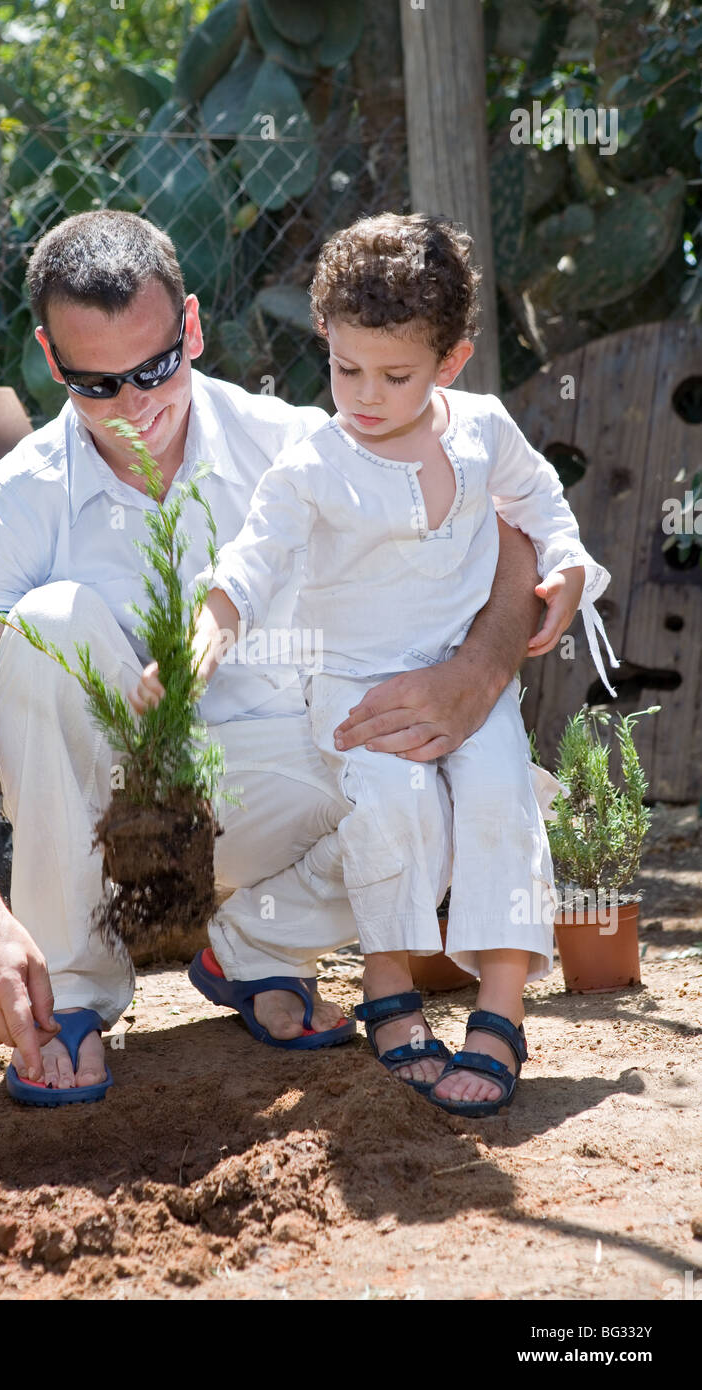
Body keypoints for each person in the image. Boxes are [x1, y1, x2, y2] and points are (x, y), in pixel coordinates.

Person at [0, 209, 551, 1104]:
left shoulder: (297, 444)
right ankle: (74, 994)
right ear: (52, 363)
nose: (135, 404)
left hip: (267, 788)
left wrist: (477, 677)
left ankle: (258, 943)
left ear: (194, 329)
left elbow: (508, 520)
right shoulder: (14, 500)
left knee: (474, 780)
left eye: (156, 367)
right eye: (97, 383)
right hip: (101, 809)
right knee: (52, 619)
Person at [134, 212, 618, 1117]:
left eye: (395, 375)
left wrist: (565, 565)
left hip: (469, 683)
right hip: (356, 686)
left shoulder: (483, 430)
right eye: (344, 367)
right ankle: (388, 987)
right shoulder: (315, 460)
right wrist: (199, 640)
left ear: (452, 361)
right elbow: (250, 562)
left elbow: (541, 500)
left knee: (498, 798)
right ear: (324, 339)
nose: (364, 393)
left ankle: (500, 1012)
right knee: (392, 810)